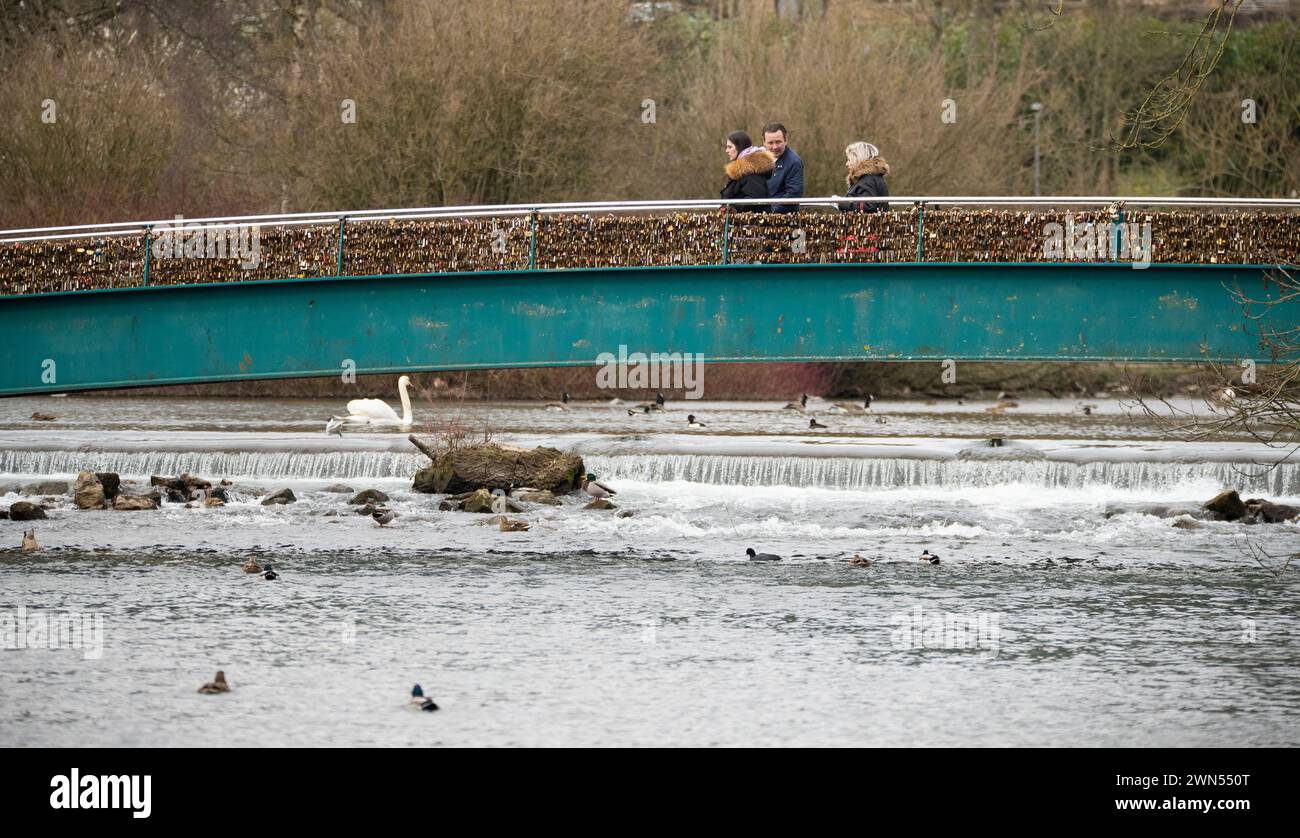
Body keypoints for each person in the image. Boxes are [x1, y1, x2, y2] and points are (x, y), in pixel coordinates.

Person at [720, 131, 776, 213]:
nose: (727, 151)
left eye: (730, 147)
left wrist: (733, 207)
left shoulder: (750, 171)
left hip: (750, 223)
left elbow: (756, 199)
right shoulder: (743, 171)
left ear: (739, 147)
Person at [835, 141, 890, 213]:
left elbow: (868, 206)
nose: (846, 164)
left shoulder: (867, 180)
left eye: (849, 160)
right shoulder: (873, 177)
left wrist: (840, 204)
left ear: (857, 159)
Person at [762, 122, 804, 214]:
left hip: (782, 220)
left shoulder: (794, 162)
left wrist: (769, 211)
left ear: (785, 140)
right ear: (764, 143)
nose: (775, 146)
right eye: (770, 143)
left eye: (778, 142)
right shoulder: (758, 159)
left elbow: (793, 195)